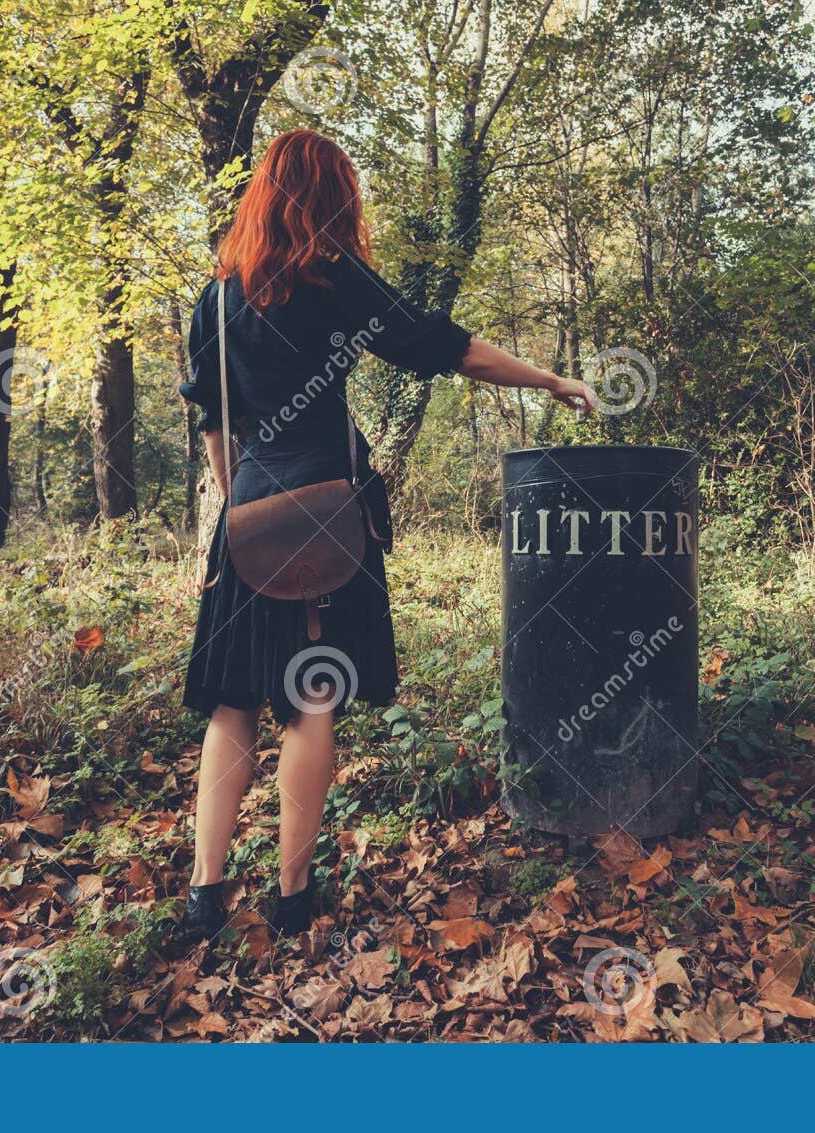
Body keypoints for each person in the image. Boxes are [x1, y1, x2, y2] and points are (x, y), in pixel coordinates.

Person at [177, 128, 597, 942]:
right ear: (333, 198)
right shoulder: (333, 279)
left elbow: (216, 424)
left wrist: (240, 512)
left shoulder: (216, 298)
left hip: (246, 524)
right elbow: (447, 348)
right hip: (330, 517)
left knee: (231, 708)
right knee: (310, 699)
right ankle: (292, 898)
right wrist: (548, 378)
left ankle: (204, 894)